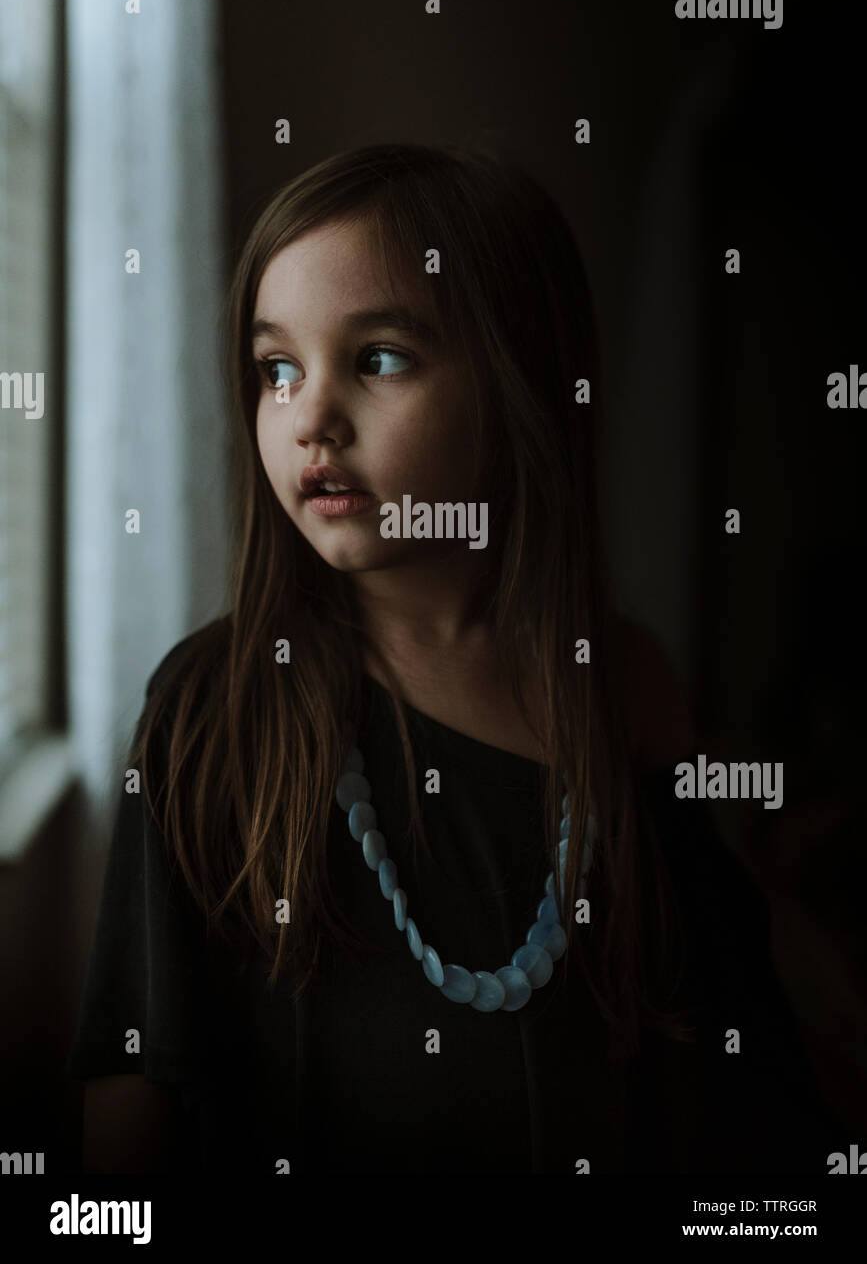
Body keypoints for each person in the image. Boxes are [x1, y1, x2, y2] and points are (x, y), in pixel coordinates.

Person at [65, 142, 837, 1175]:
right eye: (276, 369)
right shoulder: (211, 709)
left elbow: (724, 1065)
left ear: (521, 385)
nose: (311, 418)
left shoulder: (623, 689)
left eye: (378, 358)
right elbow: (131, 1100)